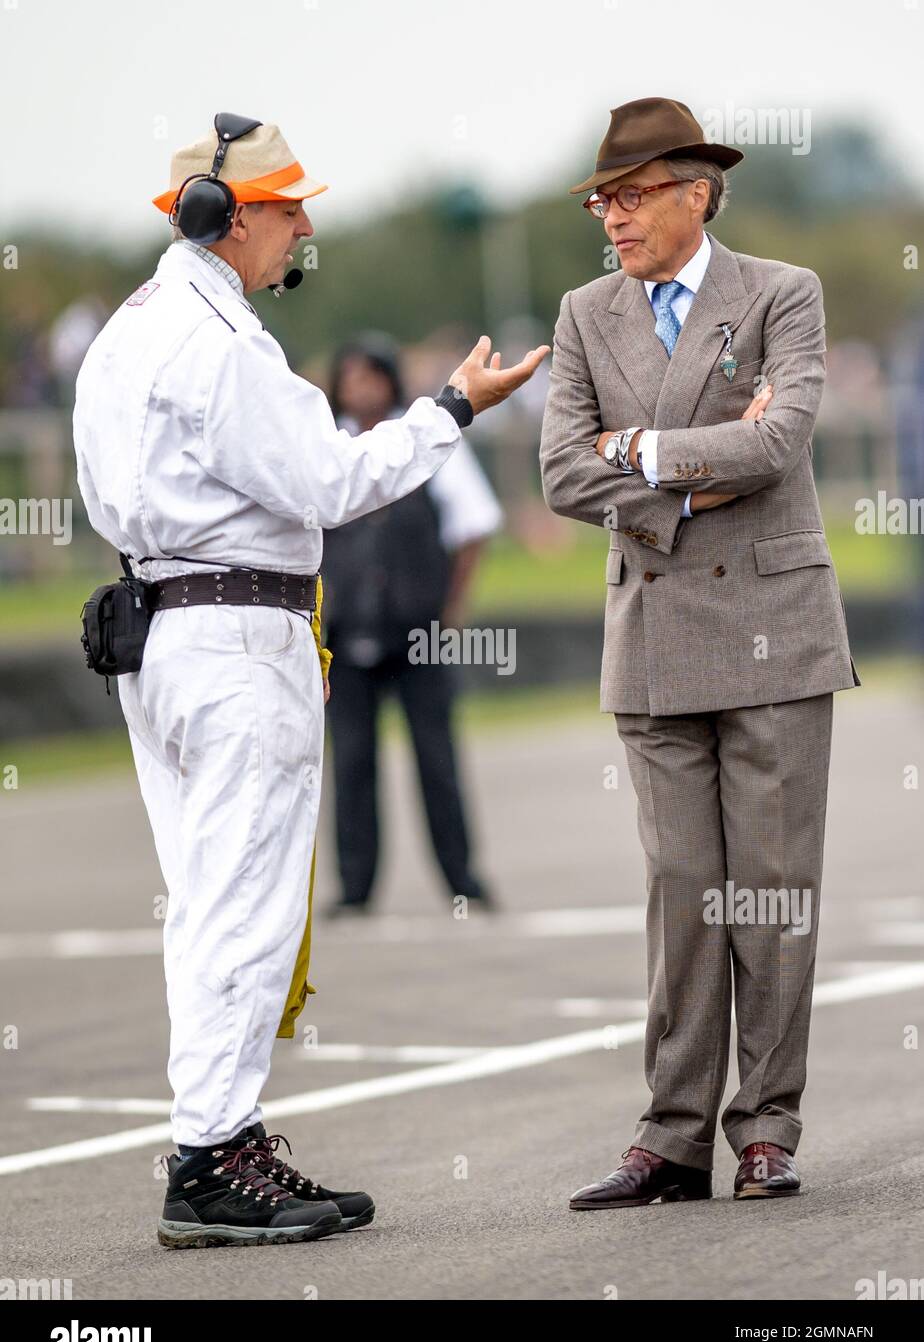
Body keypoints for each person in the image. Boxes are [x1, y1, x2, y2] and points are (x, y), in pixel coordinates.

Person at [73, 111, 548, 1248]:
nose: (303, 224)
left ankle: (217, 1143)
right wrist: (450, 411)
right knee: (244, 903)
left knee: (207, 901)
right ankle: (212, 1154)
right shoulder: (222, 344)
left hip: (166, 632)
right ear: (223, 217)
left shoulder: (126, 334)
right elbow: (332, 480)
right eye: (287, 206)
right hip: (237, 638)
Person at [539, 97, 860, 1210]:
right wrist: (685, 489)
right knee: (683, 895)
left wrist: (640, 447)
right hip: (657, 638)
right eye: (601, 200)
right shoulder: (585, 313)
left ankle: (766, 1128)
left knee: (770, 892)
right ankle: (671, 1139)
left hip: (776, 636)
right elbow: (559, 474)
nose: (611, 218)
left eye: (630, 196)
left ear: (696, 192)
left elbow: (778, 443)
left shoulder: (781, 293)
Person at [322, 332, 503, 915]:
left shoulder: (423, 435)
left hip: (417, 630)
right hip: (346, 633)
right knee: (350, 762)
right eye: (350, 378)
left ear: (390, 379)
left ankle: (462, 881)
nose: (361, 388)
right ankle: (354, 890)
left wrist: (450, 608)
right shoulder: (324, 442)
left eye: (371, 376)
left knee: (436, 759)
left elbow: (473, 525)